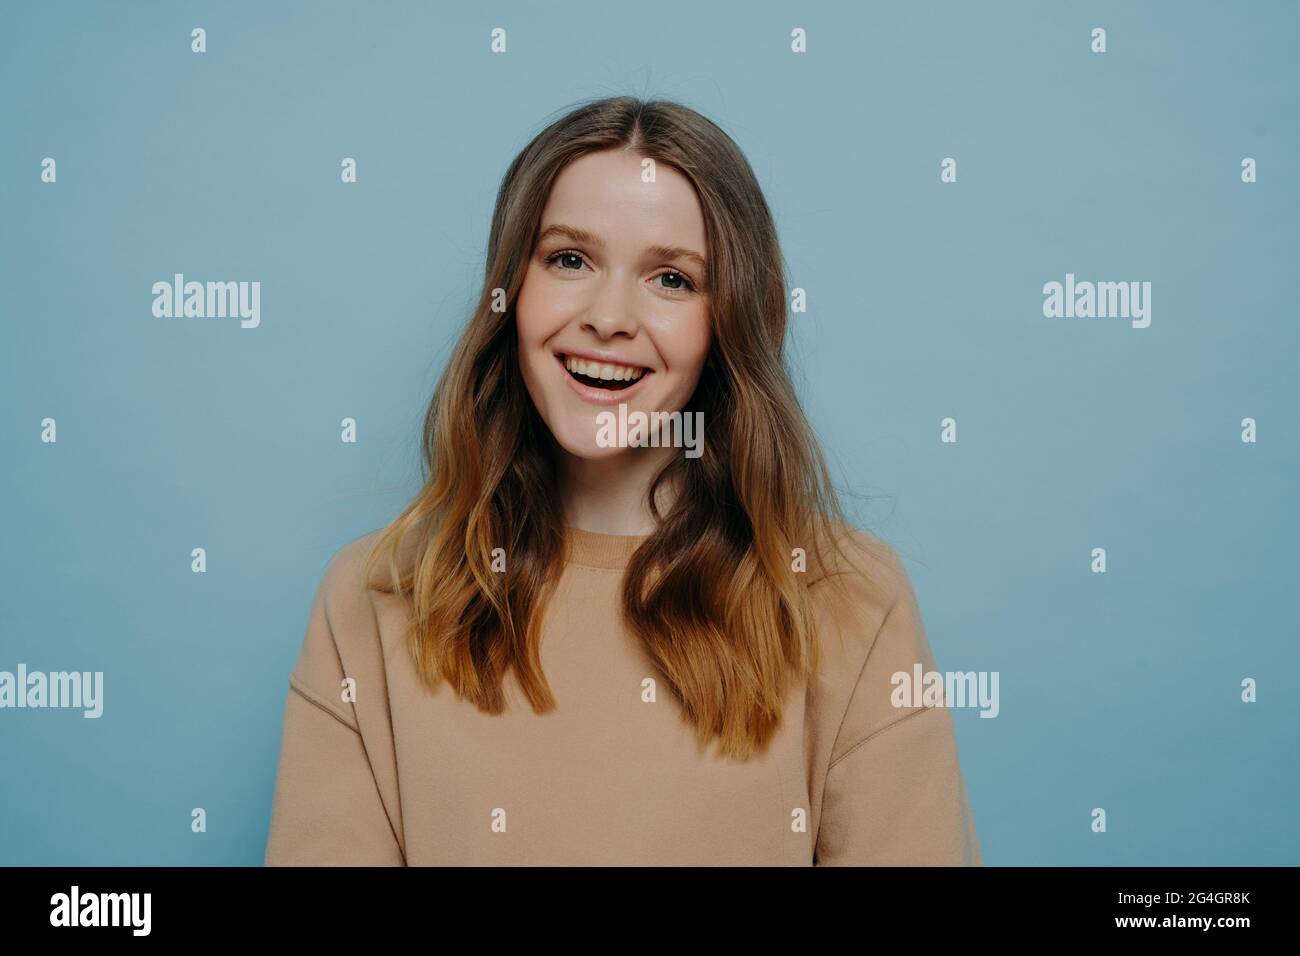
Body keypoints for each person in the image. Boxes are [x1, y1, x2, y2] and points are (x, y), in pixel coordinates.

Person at [264, 96, 981, 866]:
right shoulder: (373, 598)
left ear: (727, 322)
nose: (609, 317)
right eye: (569, 259)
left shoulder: (847, 598)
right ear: (512, 292)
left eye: (671, 278)